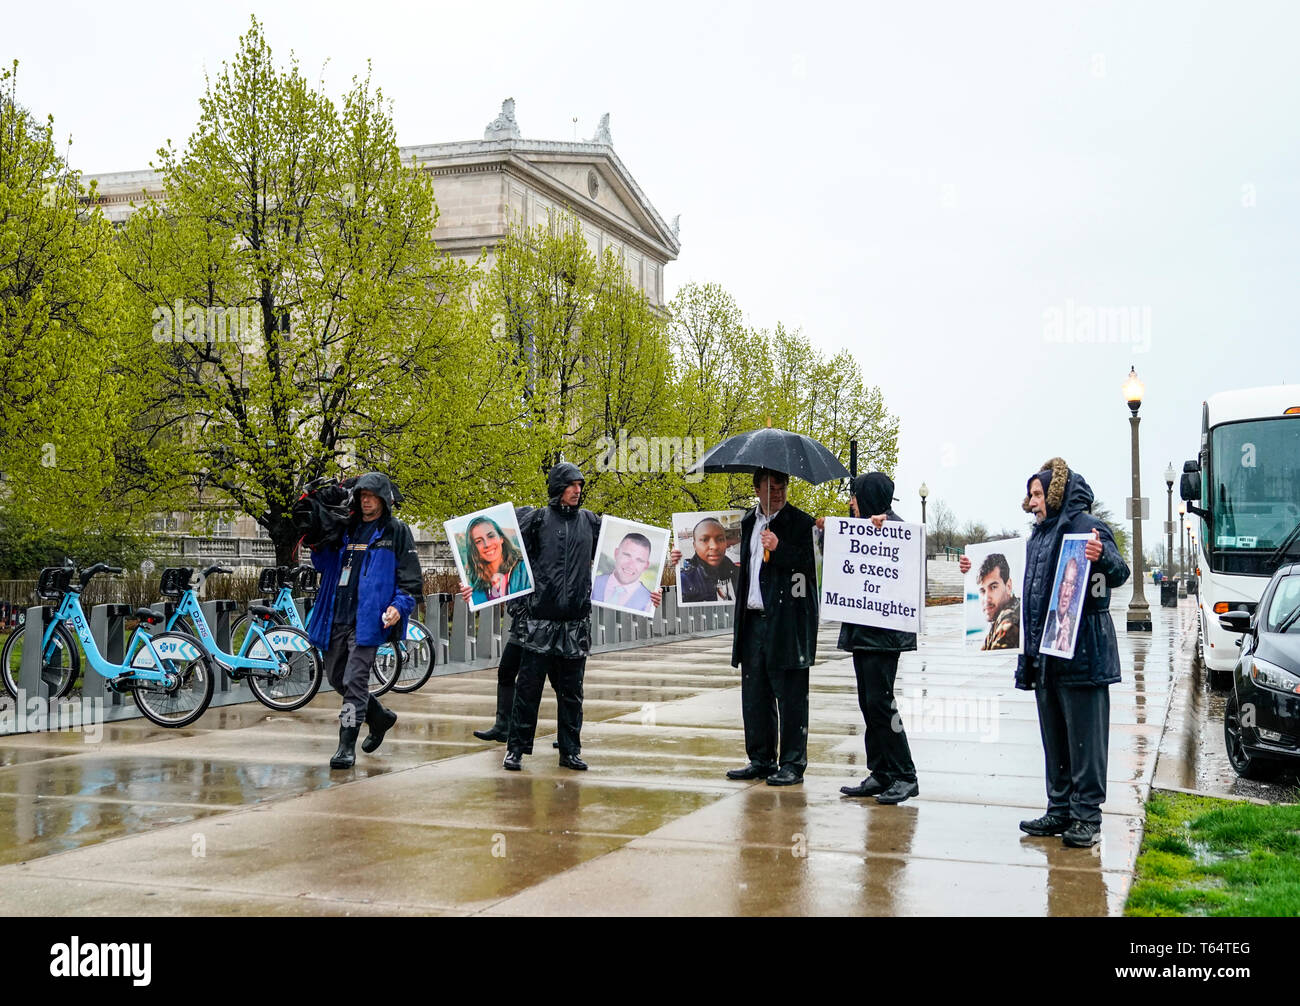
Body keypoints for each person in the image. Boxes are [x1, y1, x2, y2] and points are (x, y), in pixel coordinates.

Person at [503, 462, 660, 772]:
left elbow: (631, 549)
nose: (578, 490)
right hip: (538, 622)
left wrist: (651, 589)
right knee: (528, 690)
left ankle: (570, 751)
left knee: (572, 694)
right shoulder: (536, 521)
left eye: (580, 485)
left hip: (575, 624)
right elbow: (503, 559)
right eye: (572, 484)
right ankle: (516, 749)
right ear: (558, 486)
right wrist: (477, 588)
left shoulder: (591, 522)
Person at [1010, 457, 1129, 848]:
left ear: (1056, 493)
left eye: (1038, 493)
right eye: (1030, 495)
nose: (1032, 502)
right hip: (1046, 655)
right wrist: (972, 569)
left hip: (1083, 654)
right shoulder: (1037, 536)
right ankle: (1059, 809)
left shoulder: (1089, 528)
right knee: (1055, 738)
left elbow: (1120, 573)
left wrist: (1103, 555)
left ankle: (1087, 818)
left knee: (1085, 741)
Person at [307, 472, 422, 770]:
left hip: (369, 620)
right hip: (337, 615)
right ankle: (379, 717)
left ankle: (346, 744)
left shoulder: (396, 531)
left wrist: (399, 606)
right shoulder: (347, 529)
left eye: (372, 496)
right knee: (336, 678)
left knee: (355, 680)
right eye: (362, 496)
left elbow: (410, 580)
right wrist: (317, 538)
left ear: (383, 499)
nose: (367, 501)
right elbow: (322, 564)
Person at [825, 473, 920, 804]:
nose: (851, 501)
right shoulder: (858, 528)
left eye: (855, 496)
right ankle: (880, 771)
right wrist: (835, 532)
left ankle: (905, 773)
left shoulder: (896, 530)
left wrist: (878, 530)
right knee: (869, 702)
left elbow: (907, 574)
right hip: (863, 631)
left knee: (882, 702)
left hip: (885, 635)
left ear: (868, 497)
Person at [724, 468, 818, 786]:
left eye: (781, 487)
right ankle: (761, 759)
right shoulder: (746, 523)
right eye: (770, 488)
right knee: (755, 693)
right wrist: (683, 560)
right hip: (751, 621)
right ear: (756, 489)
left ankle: (792, 762)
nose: (777, 493)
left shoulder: (800, 523)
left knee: (790, 695)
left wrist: (779, 549)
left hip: (787, 623)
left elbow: (808, 570)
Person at [464, 515, 530, 605]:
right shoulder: (475, 585)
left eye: (491, 536)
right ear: (474, 549)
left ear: (501, 538)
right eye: (478, 541)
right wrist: (469, 598)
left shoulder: (525, 569)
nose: (487, 544)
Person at [676, 517, 740, 603]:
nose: (714, 546)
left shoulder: (739, 574)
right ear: (694, 545)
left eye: (720, 539)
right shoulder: (684, 580)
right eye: (705, 540)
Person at [592, 532, 656, 612]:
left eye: (639, 560)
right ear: (616, 553)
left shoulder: (650, 601)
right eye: (627, 555)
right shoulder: (592, 582)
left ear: (645, 566)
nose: (630, 565)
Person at [975, 552, 1021, 651]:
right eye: (982, 591)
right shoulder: (999, 617)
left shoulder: (1009, 623)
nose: (987, 598)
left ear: (1008, 586)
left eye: (993, 587)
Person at [1042, 555, 1082, 654]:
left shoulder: (1077, 625)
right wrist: (1054, 644)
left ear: (1074, 592)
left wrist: (1067, 649)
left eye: (1071, 585)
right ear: (1059, 587)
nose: (1067, 593)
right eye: (1065, 583)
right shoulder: (1045, 619)